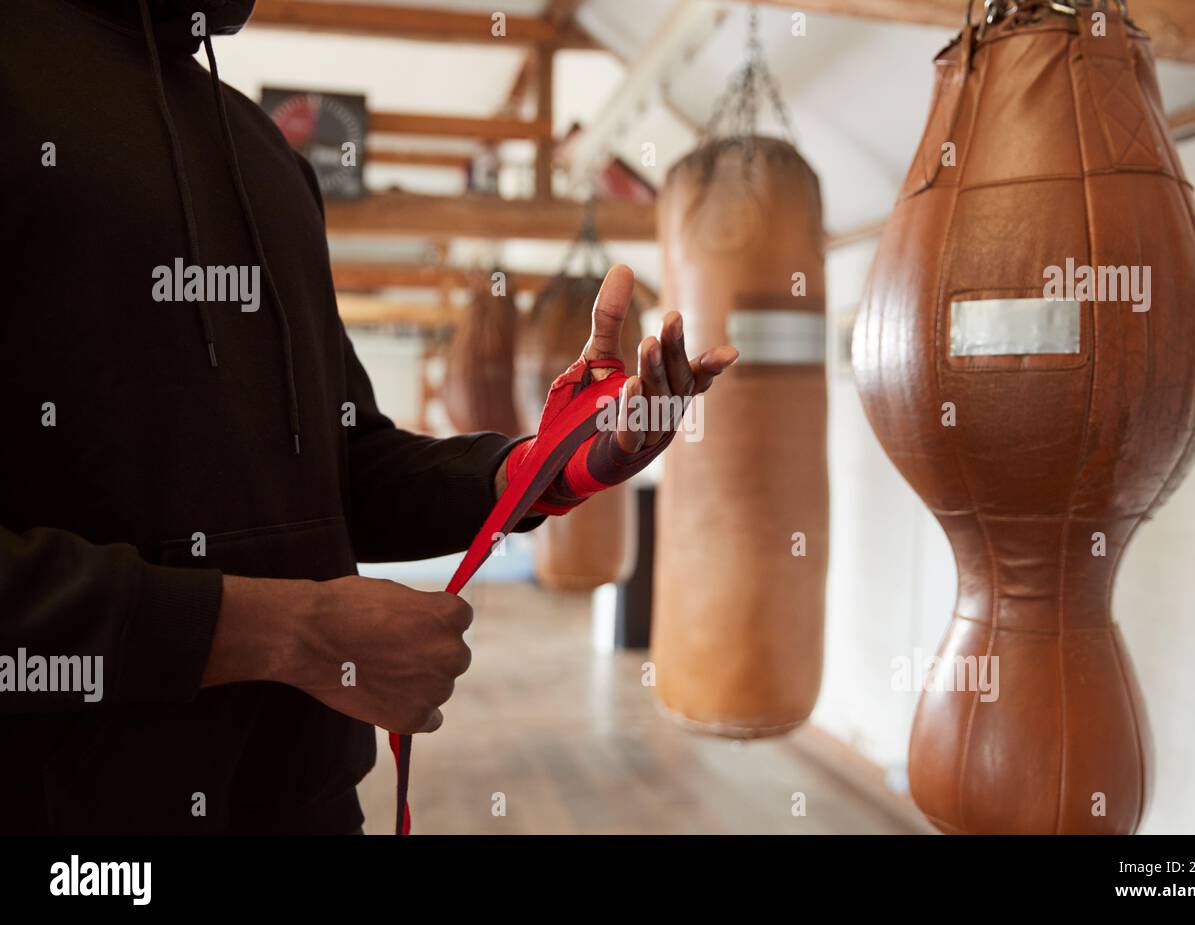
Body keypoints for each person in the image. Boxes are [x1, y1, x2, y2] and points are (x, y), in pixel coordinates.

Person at [0, 0, 738, 833]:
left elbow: (347, 464)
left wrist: (559, 460)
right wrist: (287, 632)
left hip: (308, 795)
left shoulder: (267, 158)